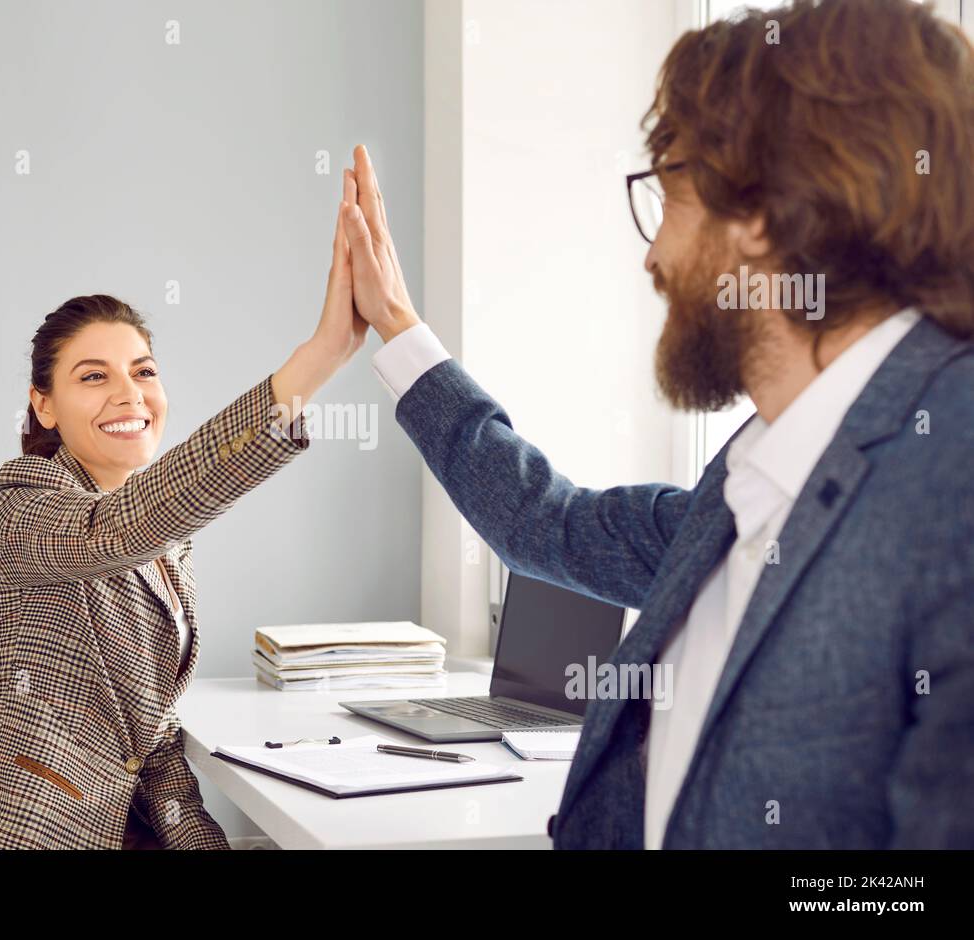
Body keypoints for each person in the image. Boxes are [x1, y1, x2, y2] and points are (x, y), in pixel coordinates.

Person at [339, 0, 974, 849]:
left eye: (666, 189)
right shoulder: (754, 473)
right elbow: (549, 523)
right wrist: (401, 333)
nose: (651, 256)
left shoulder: (951, 472)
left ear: (762, 211)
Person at [0, 174, 368, 849]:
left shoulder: (168, 537)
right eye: (92, 375)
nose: (128, 394)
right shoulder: (19, 504)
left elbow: (154, 735)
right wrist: (316, 361)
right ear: (43, 405)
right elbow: (115, 530)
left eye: (143, 370)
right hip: (35, 832)